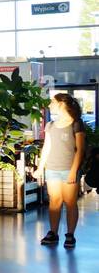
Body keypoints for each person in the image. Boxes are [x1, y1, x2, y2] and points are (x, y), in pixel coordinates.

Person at [40, 92, 88, 248]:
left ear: (61, 103)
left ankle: (70, 235)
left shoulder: (76, 123)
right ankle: (53, 233)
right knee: (54, 202)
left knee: (70, 203)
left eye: (52, 102)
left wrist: (74, 170)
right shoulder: (50, 125)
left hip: (69, 169)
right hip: (52, 169)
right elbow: (46, 148)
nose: (49, 105)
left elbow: (80, 149)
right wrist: (41, 168)